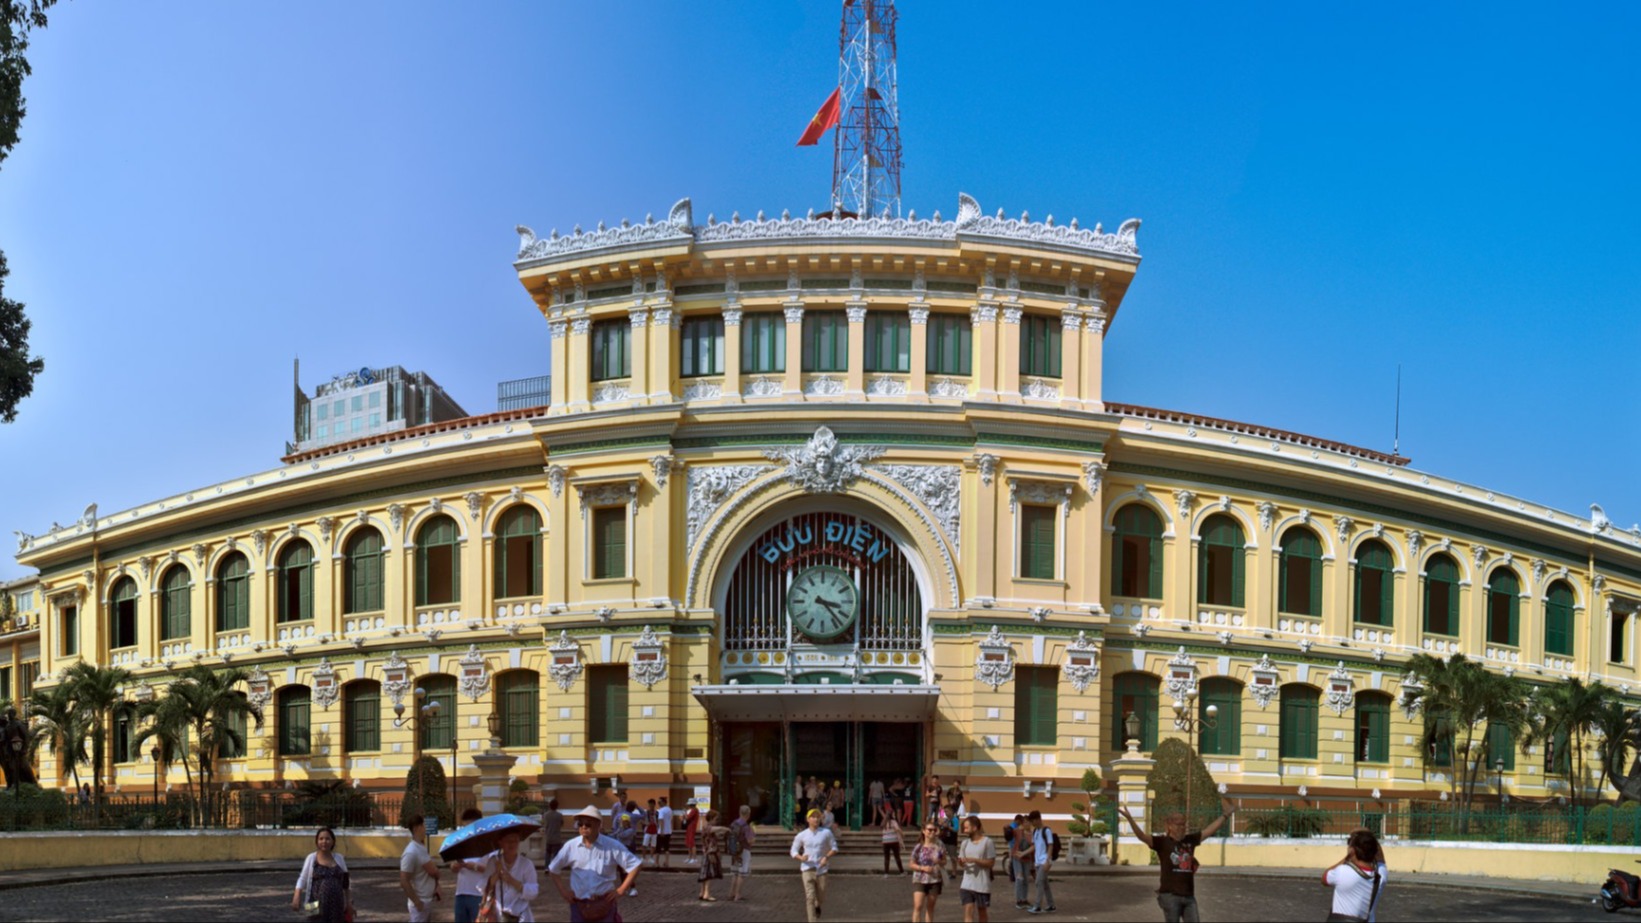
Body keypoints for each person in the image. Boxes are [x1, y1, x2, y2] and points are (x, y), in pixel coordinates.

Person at [1117, 798, 1236, 923]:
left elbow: (1209, 830)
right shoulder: (1162, 842)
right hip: (1170, 896)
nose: (1182, 827)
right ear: (1170, 826)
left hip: (1189, 896)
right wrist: (1130, 819)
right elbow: (1141, 836)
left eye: (1184, 824)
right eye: (1179, 824)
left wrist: (1226, 815)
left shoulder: (1190, 840)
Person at [547, 805, 642, 923]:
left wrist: (621, 890)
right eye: (580, 824)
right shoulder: (571, 846)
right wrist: (563, 891)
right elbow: (553, 868)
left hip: (604, 904)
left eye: (588, 824)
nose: (583, 827)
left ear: (598, 825)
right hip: (579, 905)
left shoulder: (612, 845)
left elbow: (635, 865)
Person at [291, 825, 353, 923]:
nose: (324, 841)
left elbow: (346, 882)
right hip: (313, 903)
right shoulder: (311, 858)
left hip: (337, 905)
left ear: (333, 841)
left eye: (327, 839)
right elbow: (302, 879)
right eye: (321, 839)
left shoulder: (339, 858)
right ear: (317, 841)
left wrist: (349, 903)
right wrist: (296, 896)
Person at [1324, 829, 1387, 923]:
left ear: (1352, 850)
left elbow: (1324, 878)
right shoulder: (1380, 876)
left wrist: (1347, 857)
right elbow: (1381, 860)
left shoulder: (1342, 871)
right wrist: (1370, 836)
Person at [791, 808, 839, 923]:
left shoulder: (826, 833)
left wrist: (826, 857)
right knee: (810, 897)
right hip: (807, 869)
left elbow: (834, 847)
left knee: (821, 896)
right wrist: (801, 857)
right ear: (808, 819)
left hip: (822, 869)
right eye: (813, 817)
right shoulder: (802, 835)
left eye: (818, 817)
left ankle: (818, 904)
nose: (816, 819)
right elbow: (793, 851)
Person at [488, 829, 542, 923]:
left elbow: (533, 892)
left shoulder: (526, 864)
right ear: (500, 842)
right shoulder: (493, 862)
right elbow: (482, 887)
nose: (512, 844)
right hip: (498, 915)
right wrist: (496, 874)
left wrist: (512, 881)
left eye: (516, 841)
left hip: (521, 916)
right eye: (508, 841)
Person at [399, 814, 443, 923]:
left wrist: (436, 885)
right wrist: (417, 902)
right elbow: (404, 881)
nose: (425, 829)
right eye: (423, 826)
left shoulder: (420, 847)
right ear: (416, 828)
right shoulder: (411, 852)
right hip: (420, 903)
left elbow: (431, 873)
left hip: (427, 900)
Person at [449, 808, 490, 923]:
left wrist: (475, 867)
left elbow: (493, 870)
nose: (466, 830)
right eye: (464, 826)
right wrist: (454, 867)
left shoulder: (487, 843)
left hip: (478, 894)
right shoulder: (462, 842)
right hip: (461, 893)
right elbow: (454, 865)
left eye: (469, 826)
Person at [958, 815, 997, 923]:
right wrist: (961, 862)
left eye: (967, 828)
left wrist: (975, 860)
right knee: (968, 911)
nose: (964, 831)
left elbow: (991, 863)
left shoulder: (987, 842)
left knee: (982, 912)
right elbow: (961, 862)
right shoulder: (964, 843)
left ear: (975, 827)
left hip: (982, 885)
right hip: (966, 884)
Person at [910, 817, 946, 923]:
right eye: (929, 830)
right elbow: (911, 864)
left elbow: (945, 861)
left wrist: (939, 861)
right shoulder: (918, 847)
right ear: (924, 831)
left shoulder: (940, 846)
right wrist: (923, 868)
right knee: (918, 906)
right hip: (919, 878)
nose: (932, 832)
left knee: (930, 907)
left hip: (935, 879)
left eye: (934, 830)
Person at [696, 808, 729, 901]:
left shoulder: (708, 828)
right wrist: (726, 829)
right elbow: (718, 829)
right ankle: (706, 893)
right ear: (711, 819)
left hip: (707, 852)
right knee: (709, 874)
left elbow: (717, 833)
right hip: (710, 853)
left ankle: (702, 892)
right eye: (715, 819)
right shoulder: (707, 827)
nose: (716, 821)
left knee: (704, 873)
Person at [1027, 810, 1056, 914]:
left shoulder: (1047, 831)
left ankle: (1037, 906)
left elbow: (1050, 845)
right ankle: (1051, 904)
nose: (1032, 823)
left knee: (1039, 882)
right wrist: (1023, 853)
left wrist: (1047, 860)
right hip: (1038, 861)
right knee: (1044, 884)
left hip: (1044, 861)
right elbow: (1034, 846)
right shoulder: (1035, 831)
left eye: (1033, 821)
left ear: (1038, 819)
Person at [728, 804, 756, 902]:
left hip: (734, 851)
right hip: (743, 850)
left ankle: (731, 893)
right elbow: (750, 841)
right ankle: (737, 894)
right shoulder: (746, 826)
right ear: (748, 814)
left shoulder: (733, 824)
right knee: (741, 873)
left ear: (740, 812)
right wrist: (753, 833)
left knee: (735, 873)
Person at [1010, 814, 1034, 909]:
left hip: (1027, 858)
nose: (1026, 823)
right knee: (1019, 878)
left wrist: (1024, 853)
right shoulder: (1017, 831)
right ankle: (1018, 900)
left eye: (1028, 822)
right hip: (1017, 857)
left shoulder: (1033, 834)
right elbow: (1009, 834)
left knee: (1026, 880)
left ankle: (1024, 899)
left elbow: (1034, 846)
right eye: (1024, 822)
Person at [542, 799, 564, 870]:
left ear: (549, 806)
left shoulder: (546, 815)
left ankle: (546, 867)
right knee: (556, 854)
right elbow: (561, 824)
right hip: (557, 838)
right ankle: (553, 867)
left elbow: (545, 825)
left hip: (549, 837)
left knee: (548, 854)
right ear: (557, 806)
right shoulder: (559, 815)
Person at [881, 811, 906, 876]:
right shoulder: (893, 822)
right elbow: (897, 829)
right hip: (894, 841)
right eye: (894, 814)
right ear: (891, 815)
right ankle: (902, 872)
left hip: (885, 841)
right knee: (897, 857)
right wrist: (902, 834)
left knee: (886, 857)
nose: (895, 815)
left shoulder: (884, 822)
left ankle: (886, 873)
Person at [1003, 814, 1024, 885]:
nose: (1021, 823)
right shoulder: (1013, 826)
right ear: (1018, 820)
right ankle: (1012, 877)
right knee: (1013, 861)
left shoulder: (1013, 826)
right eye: (1021, 821)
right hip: (1013, 845)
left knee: (1014, 861)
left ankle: (1013, 876)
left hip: (1014, 845)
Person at [655, 797, 674, 868]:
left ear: (663, 802)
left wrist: (662, 831)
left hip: (662, 832)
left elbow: (661, 820)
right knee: (666, 847)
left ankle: (657, 863)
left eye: (659, 802)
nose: (658, 804)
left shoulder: (661, 810)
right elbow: (671, 820)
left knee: (658, 848)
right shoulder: (669, 810)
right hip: (668, 831)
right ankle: (667, 862)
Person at [684, 799, 702, 865]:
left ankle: (694, 858)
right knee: (689, 842)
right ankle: (690, 857)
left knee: (692, 843)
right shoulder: (693, 810)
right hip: (689, 826)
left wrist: (685, 813)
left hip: (692, 827)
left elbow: (687, 818)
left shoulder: (694, 810)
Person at [641, 798, 659, 865]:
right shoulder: (646, 813)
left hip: (655, 830)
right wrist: (646, 823)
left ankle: (651, 857)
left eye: (652, 804)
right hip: (647, 830)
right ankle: (643, 857)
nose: (651, 806)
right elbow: (641, 821)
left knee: (653, 845)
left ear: (654, 805)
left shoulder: (657, 813)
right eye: (650, 804)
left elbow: (659, 821)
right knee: (644, 844)